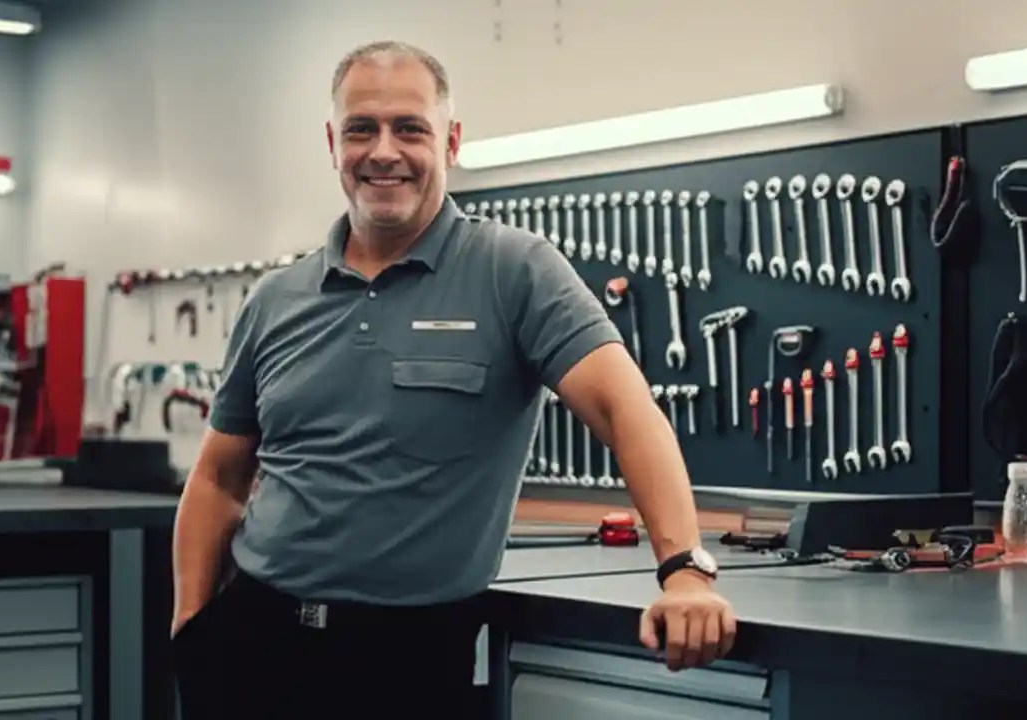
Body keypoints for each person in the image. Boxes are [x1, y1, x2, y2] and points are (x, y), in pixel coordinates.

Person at [169, 40, 737, 719]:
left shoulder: (514, 271)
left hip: (407, 661)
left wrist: (685, 572)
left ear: (451, 140)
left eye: (410, 128)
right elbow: (218, 477)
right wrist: (191, 625)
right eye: (361, 129)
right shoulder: (276, 297)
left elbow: (626, 410)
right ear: (332, 143)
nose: (384, 151)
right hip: (250, 642)